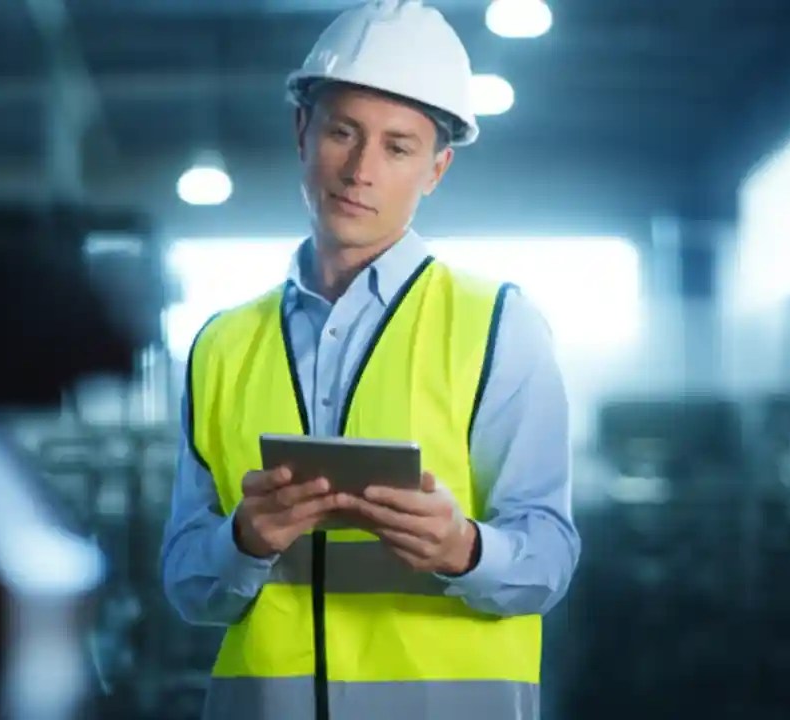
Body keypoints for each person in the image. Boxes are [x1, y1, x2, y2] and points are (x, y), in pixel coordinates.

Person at [160, 1, 580, 718]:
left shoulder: (498, 326)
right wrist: (244, 541)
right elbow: (185, 582)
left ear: (436, 169)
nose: (360, 171)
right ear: (303, 131)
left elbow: (549, 557)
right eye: (343, 132)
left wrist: (463, 548)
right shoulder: (221, 345)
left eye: (398, 147)